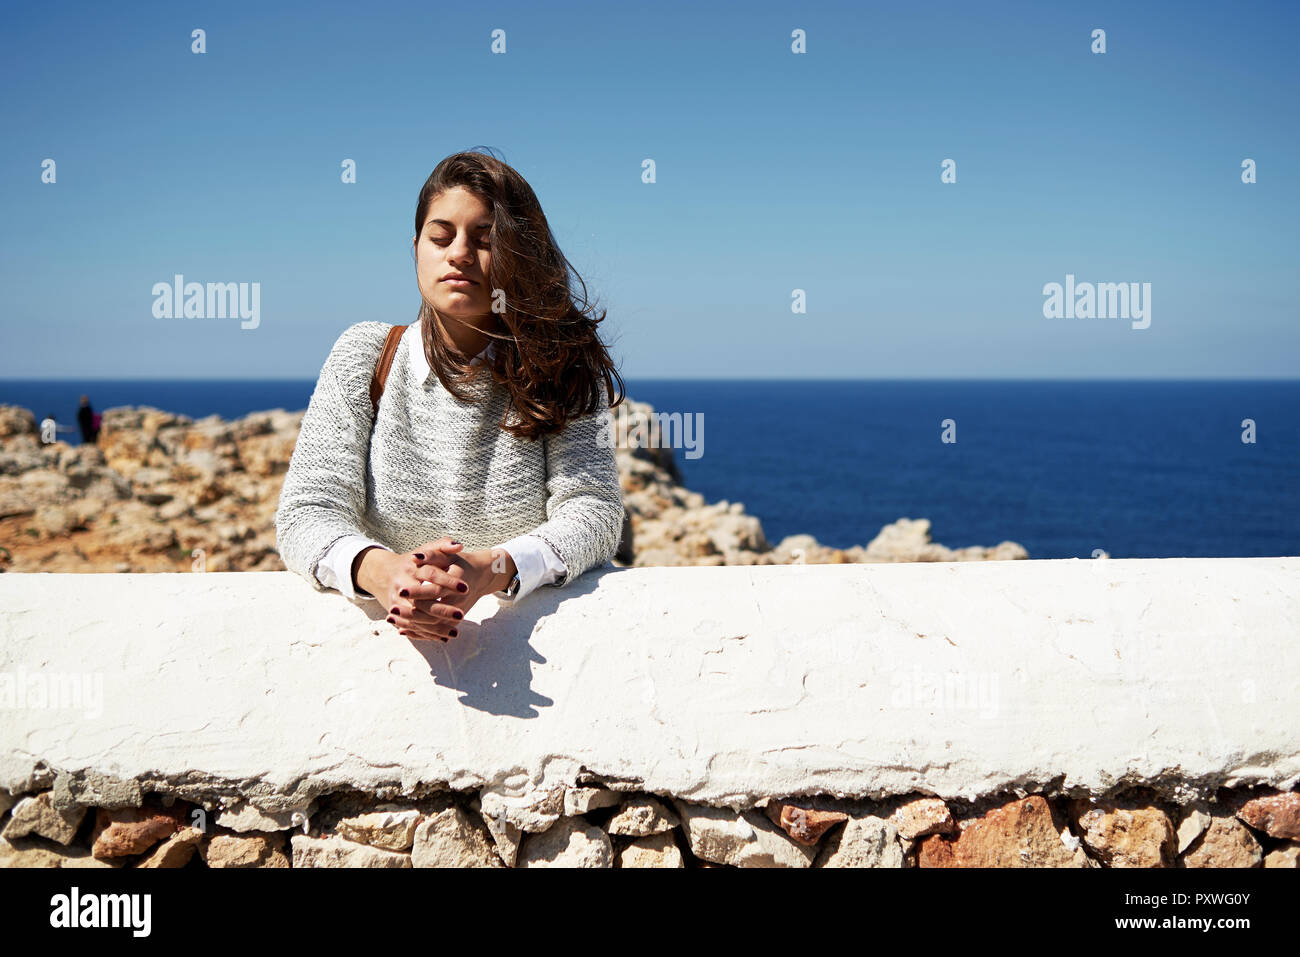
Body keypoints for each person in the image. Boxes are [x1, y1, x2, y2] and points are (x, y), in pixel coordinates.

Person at [274, 149, 626, 644]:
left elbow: (594, 513)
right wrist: (383, 573)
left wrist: (491, 569)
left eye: (485, 241)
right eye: (441, 237)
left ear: (521, 258)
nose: (458, 253)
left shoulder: (562, 366)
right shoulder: (365, 355)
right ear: (416, 247)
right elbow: (308, 511)